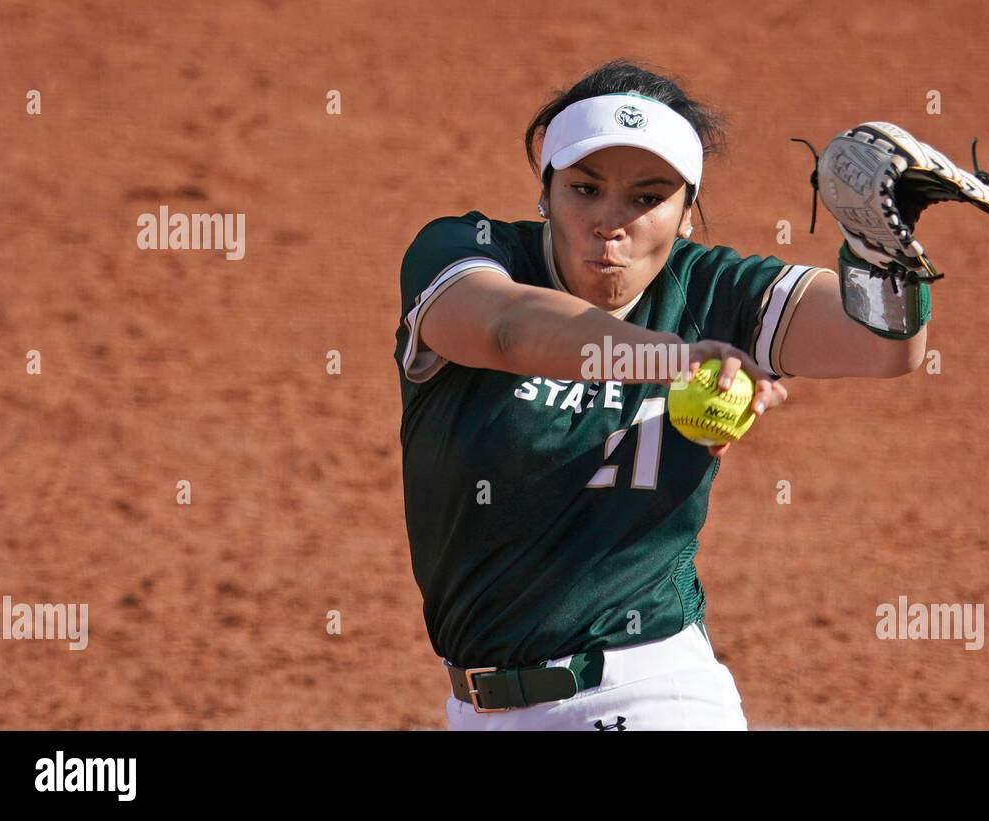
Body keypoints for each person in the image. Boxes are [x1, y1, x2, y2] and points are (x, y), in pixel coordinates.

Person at [393, 59, 926, 730]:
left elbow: (882, 344)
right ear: (545, 193)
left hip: (649, 693)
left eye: (647, 198)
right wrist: (676, 359)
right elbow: (504, 329)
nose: (610, 223)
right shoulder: (466, 255)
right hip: (479, 711)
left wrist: (888, 260)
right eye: (585, 189)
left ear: (686, 216)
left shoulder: (714, 293)